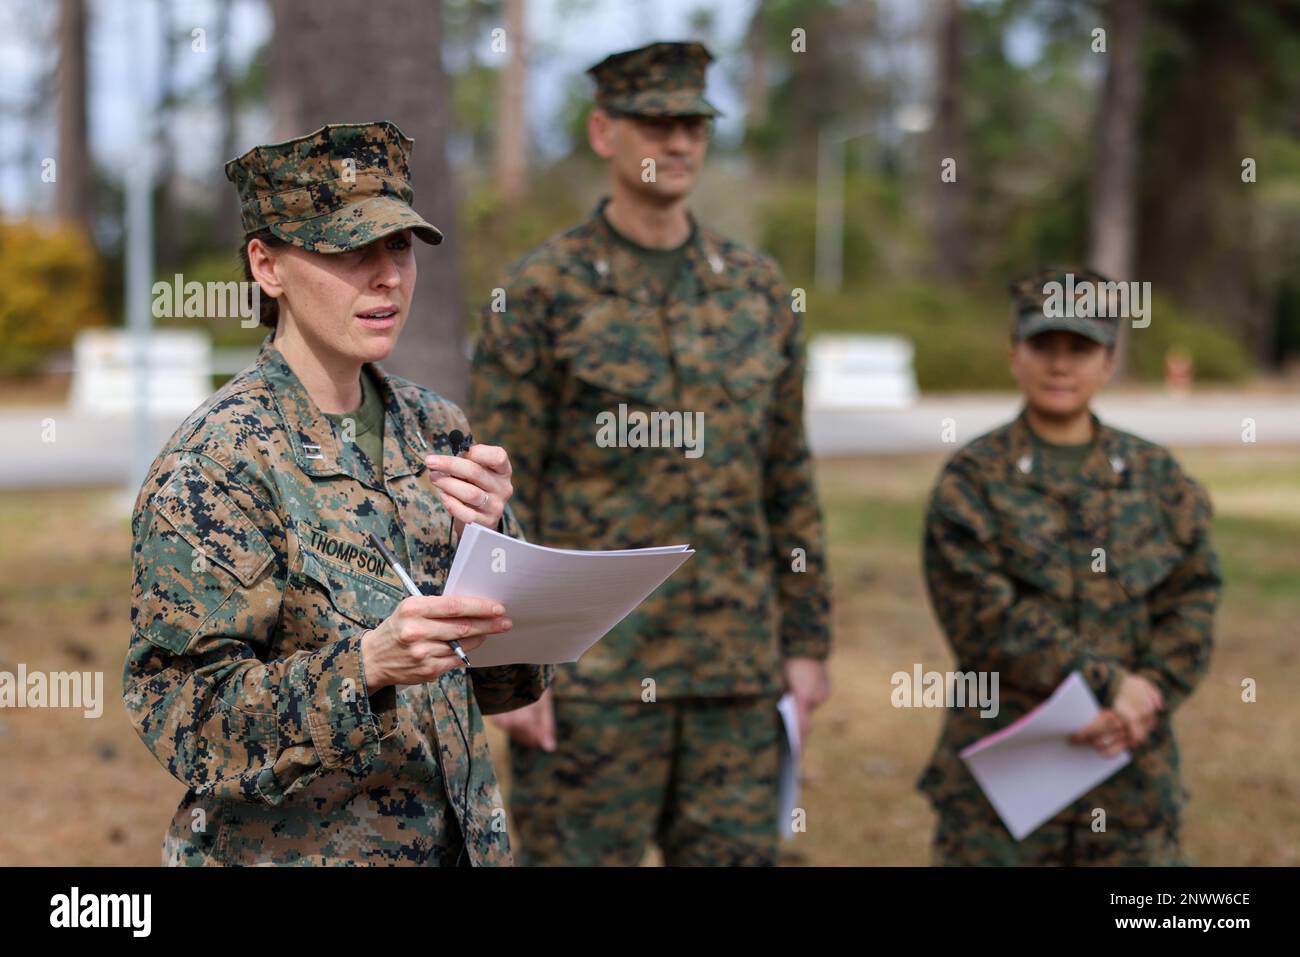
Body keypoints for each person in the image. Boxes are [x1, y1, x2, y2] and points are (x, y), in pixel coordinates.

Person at [123, 121, 550, 866]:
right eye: (349, 250)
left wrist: (501, 546)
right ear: (267, 265)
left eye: (399, 247)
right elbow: (184, 716)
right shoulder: (218, 462)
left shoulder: (435, 428)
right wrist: (367, 666)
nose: (386, 276)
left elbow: (506, 681)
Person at [469, 42, 833, 866]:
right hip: (591, 677)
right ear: (604, 133)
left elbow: (789, 478)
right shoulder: (543, 292)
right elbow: (496, 495)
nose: (677, 143)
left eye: (693, 126)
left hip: (736, 675)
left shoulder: (756, 289)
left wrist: (806, 643)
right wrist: (511, 668)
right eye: (656, 123)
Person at [918, 268, 1222, 865]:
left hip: (1129, 779)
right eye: (1043, 346)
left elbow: (1194, 598)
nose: (1060, 366)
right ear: (1014, 354)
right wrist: (1110, 684)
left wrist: (1150, 693)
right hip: (1003, 795)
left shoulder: (1158, 478)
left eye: (1080, 348)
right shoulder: (972, 481)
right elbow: (983, 620)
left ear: (1108, 362)